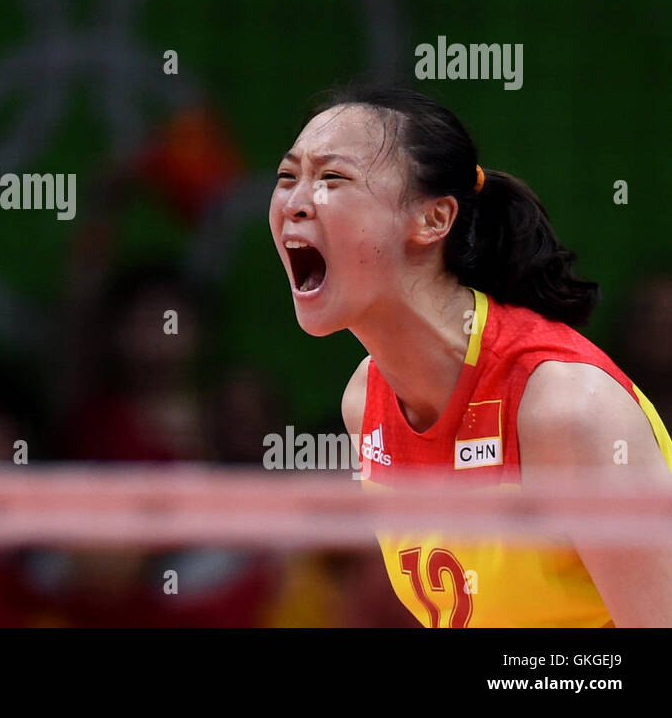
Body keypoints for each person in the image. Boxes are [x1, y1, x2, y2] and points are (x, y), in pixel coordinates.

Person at [270, 84, 672, 627]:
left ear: (433, 220)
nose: (295, 202)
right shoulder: (365, 400)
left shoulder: (568, 410)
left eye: (332, 178)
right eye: (288, 177)